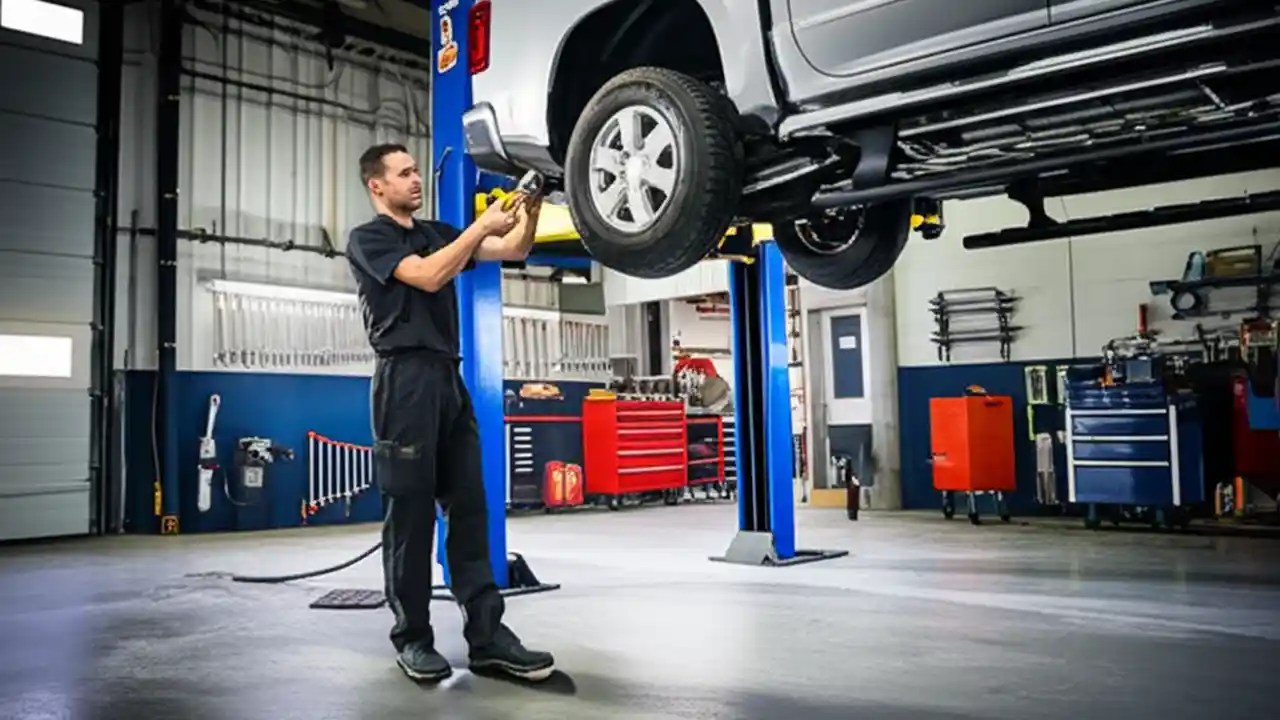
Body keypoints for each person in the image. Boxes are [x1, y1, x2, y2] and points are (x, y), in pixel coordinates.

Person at [345, 143, 552, 683]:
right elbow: (431, 276)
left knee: (469, 507)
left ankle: (487, 639)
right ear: (377, 186)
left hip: (447, 377)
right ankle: (412, 638)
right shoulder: (370, 239)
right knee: (411, 515)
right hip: (403, 380)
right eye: (405, 173)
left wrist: (530, 204)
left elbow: (509, 250)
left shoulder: (436, 230)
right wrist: (480, 225)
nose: (416, 179)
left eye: (417, 170)